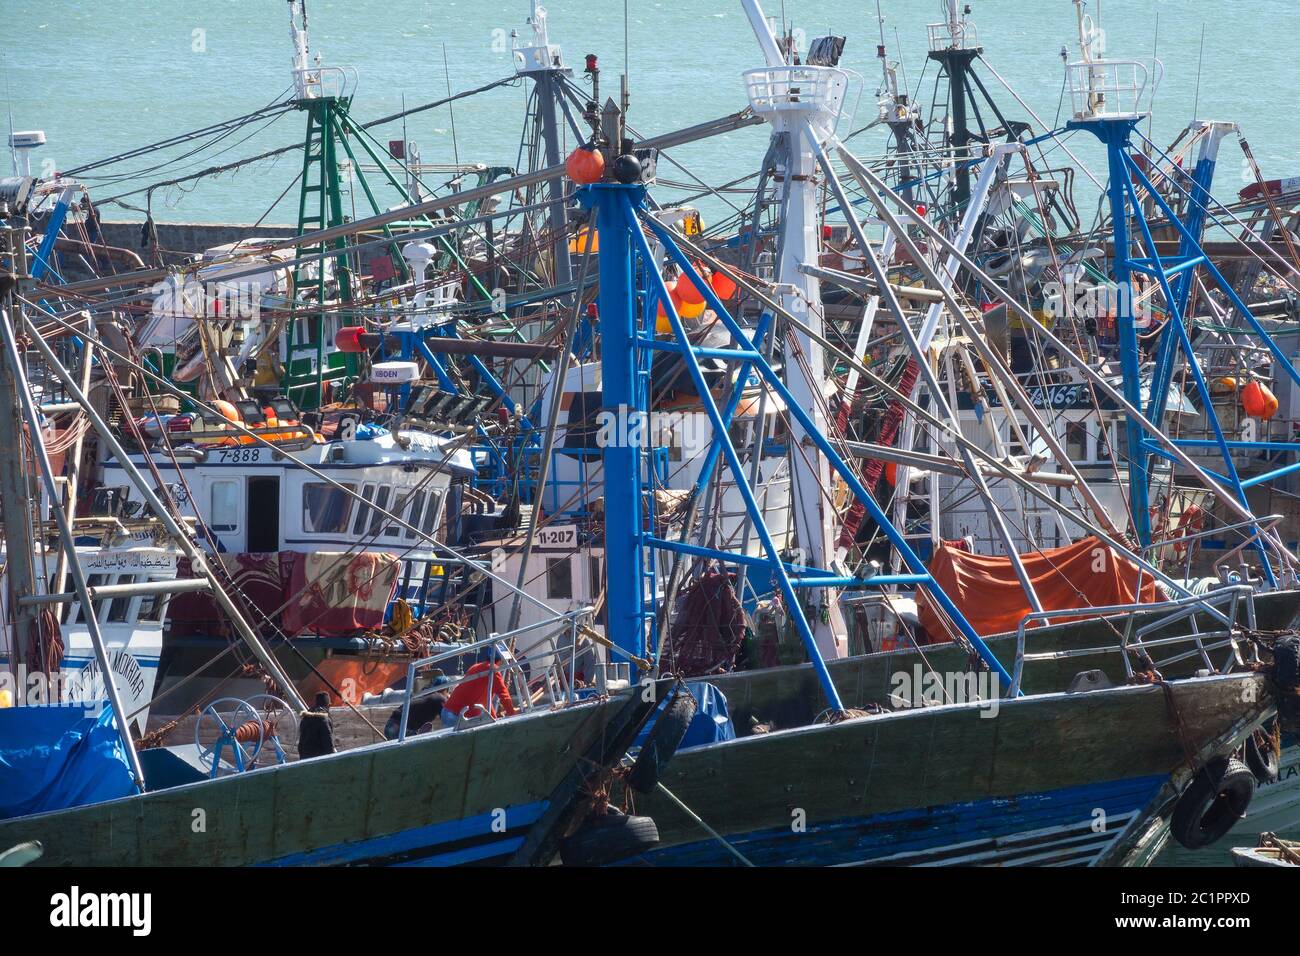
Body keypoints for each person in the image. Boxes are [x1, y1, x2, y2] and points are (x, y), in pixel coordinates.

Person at [442, 646, 517, 727]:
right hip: (458, 716)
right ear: (501, 659)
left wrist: (493, 719)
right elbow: (504, 695)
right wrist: (513, 717)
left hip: (448, 711)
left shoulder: (476, 666)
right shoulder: (493, 670)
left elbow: (486, 701)